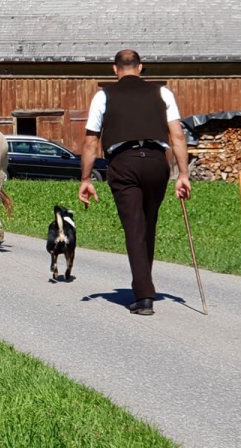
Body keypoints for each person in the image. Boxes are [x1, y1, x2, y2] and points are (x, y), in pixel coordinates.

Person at [80, 49, 190, 316]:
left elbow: (90, 141)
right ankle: (144, 283)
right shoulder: (163, 93)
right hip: (155, 162)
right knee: (147, 224)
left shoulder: (103, 95)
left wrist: (85, 178)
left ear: (114, 70)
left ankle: (143, 296)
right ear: (140, 67)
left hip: (124, 162)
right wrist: (184, 174)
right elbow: (177, 135)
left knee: (134, 226)